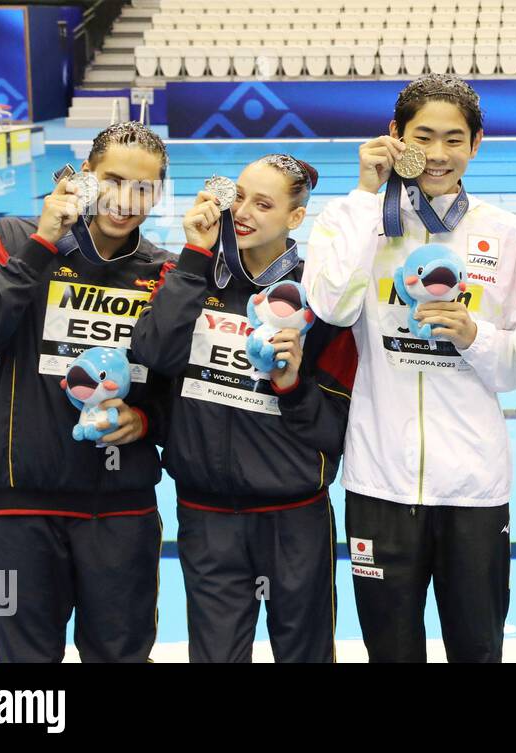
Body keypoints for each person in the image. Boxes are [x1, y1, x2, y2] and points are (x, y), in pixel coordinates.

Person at [303, 74, 516, 663]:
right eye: (422, 137)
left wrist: (474, 337)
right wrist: (364, 198)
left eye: (453, 140)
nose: (437, 155)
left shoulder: (504, 236)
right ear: (394, 137)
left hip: (474, 487)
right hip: (380, 480)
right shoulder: (349, 219)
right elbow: (332, 305)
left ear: (476, 144)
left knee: (477, 648)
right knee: (391, 651)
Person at [0, 121, 173, 662]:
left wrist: (147, 421)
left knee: (122, 654)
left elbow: (179, 388)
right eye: (112, 179)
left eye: (143, 188)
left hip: (121, 507)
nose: (125, 199)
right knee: (23, 662)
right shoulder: (11, 239)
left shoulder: (165, 273)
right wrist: (42, 246)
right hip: (22, 502)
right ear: (86, 176)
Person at [130, 156, 356, 663]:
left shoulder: (322, 295)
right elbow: (153, 353)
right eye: (239, 197)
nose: (244, 212)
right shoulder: (194, 272)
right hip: (206, 512)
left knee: (304, 655)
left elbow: (336, 430)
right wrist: (193, 257)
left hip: (293, 514)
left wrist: (293, 387)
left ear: (296, 218)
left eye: (264, 203)